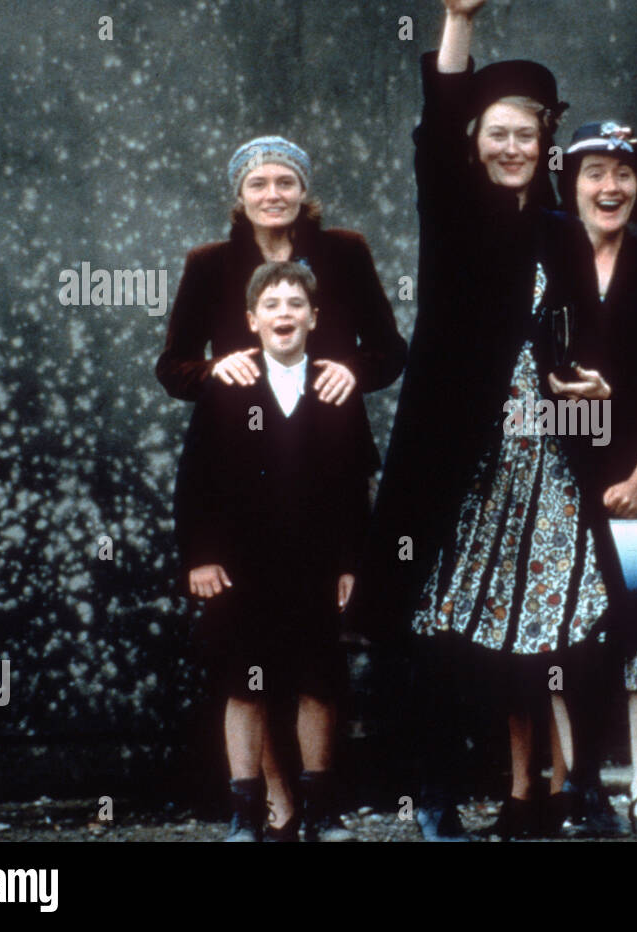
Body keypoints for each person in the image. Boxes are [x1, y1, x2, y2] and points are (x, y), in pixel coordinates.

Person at [349, 0, 628, 840]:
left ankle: (583, 787)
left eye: (527, 135)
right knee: (436, 630)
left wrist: (596, 389)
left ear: (547, 145)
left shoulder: (562, 231)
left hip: (548, 463)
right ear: (475, 141)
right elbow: (436, 121)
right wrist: (458, 18)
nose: (512, 147)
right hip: (458, 458)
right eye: (496, 133)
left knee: (581, 614)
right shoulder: (453, 209)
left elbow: (588, 341)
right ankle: (435, 796)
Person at [158, 135, 407, 838]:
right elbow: (173, 367)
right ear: (239, 196)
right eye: (259, 184)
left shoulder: (346, 252)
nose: (273, 195)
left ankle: (313, 803)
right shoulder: (210, 266)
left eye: (286, 182)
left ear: (304, 191)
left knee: (318, 666)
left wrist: (353, 369)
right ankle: (269, 803)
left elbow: (391, 352)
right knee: (248, 665)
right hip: (242, 464)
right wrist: (218, 371)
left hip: (323, 456)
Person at [174, 261, 374, 841]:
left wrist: (349, 565)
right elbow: (195, 482)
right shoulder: (228, 386)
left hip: (313, 566)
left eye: (295, 304)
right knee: (246, 685)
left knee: (319, 684)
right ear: (251, 320)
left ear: (315, 317)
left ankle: (320, 811)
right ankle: (245, 814)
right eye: (272, 305)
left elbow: (354, 489)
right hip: (242, 567)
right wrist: (200, 556)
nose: (283, 313)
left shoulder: (334, 388)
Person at [551, 121, 637, 832]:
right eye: (596, 172)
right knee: (562, 634)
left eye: (625, 173)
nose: (611, 187)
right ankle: (579, 784)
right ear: (569, 184)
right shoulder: (543, 267)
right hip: (553, 481)